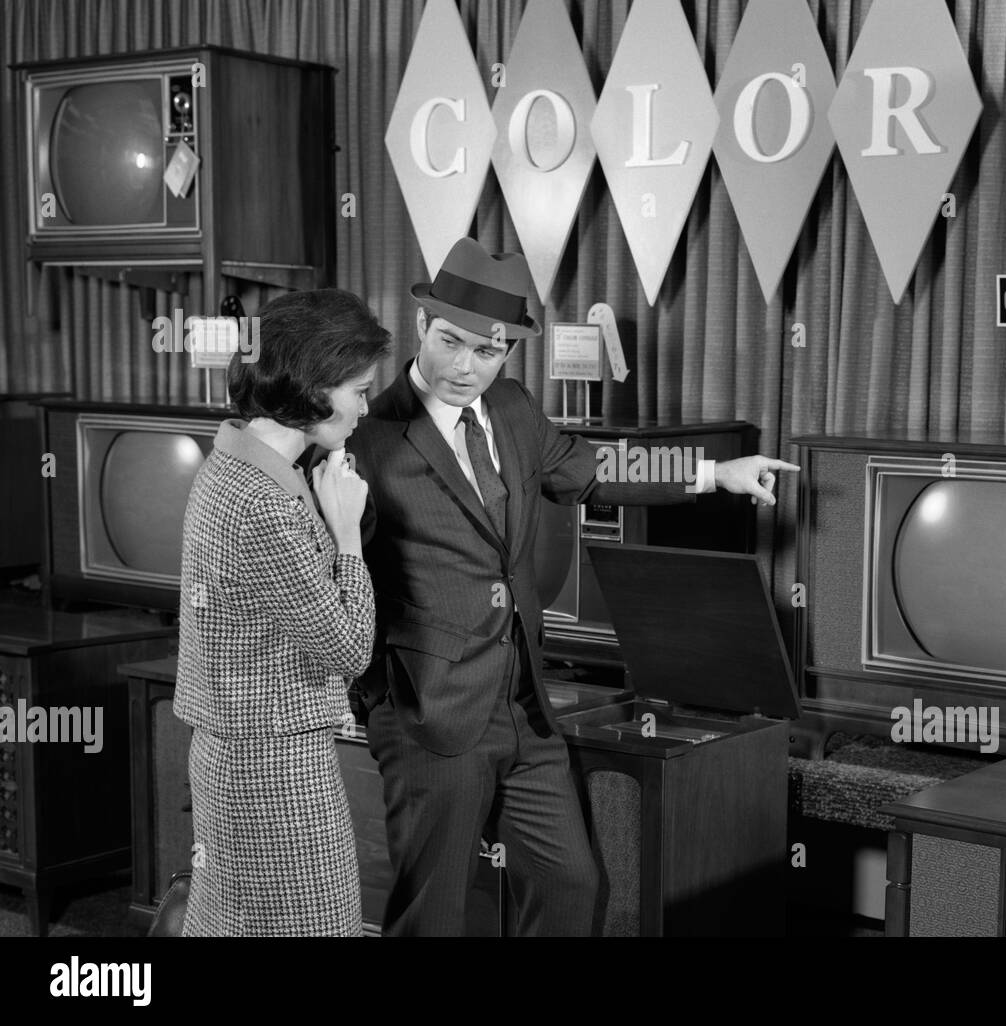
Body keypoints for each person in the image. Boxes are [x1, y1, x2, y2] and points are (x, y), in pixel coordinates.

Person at [343, 237, 798, 936]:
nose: (464, 367)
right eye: (449, 342)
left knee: (572, 887)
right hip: (428, 720)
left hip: (525, 708)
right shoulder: (367, 437)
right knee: (431, 915)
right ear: (421, 328)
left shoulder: (517, 410)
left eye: (487, 352)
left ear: (509, 353)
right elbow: (334, 576)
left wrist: (717, 475)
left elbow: (596, 469)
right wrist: (376, 704)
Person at [175, 288, 390, 936]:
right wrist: (348, 533)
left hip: (237, 754)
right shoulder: (263, 503)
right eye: (358, 389)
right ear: (315, 387)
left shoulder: (235, 464)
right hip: (272, 770)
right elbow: (348, 648)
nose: (365, 406)